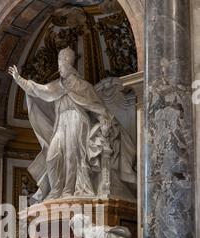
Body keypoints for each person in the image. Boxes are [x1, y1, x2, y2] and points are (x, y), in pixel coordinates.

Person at [9, 47, 136, 202]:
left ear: (69, 65)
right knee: (52, 156)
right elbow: (38, 90)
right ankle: (56, 190)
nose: (59, 69)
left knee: (72, 157)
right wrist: (19, 80)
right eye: (59, 65)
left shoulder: (82, 86)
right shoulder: (56, 86)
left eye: (61, 65)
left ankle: (69, 190)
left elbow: (97, 107)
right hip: (61, 123)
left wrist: (104, 120)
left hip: (77, 121)